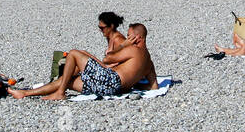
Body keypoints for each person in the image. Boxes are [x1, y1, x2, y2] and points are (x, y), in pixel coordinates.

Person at [12, 20, 156, 100]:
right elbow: (153, 86)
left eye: (129, 35)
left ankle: (60, 93)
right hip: (114, 88)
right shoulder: (149, 62)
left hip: (110, 80)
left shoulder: (134, 50)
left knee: (74, 53)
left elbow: (107, 59)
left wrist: (123, 45)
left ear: (138, 38)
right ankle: (24, 93)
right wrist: (131, 86)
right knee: (68, 80)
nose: (127, 38)